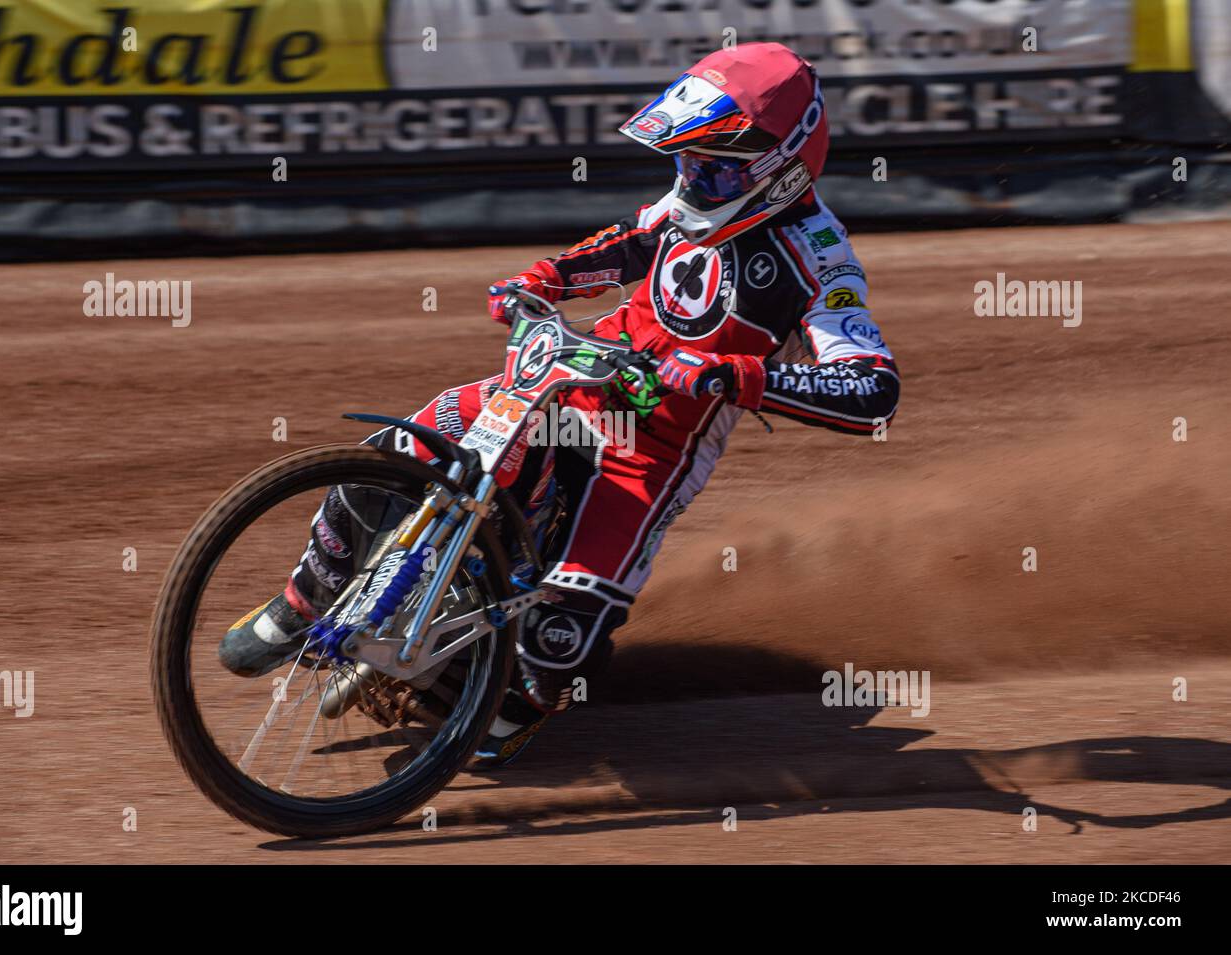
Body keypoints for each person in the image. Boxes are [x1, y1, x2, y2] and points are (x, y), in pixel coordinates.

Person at [219, 42, 900, 766]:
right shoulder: (690, 197)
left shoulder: (819, 257)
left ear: (785, 165)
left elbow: (872, 390)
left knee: (557, 648)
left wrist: (731, 376)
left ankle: (514, 696)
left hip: (651, 450)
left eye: (718, 168)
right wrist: (545, 277)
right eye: (689, 163)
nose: (697, 181)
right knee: (409, 447)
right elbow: (633, 241)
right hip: (570, 379)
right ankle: (300, 604)